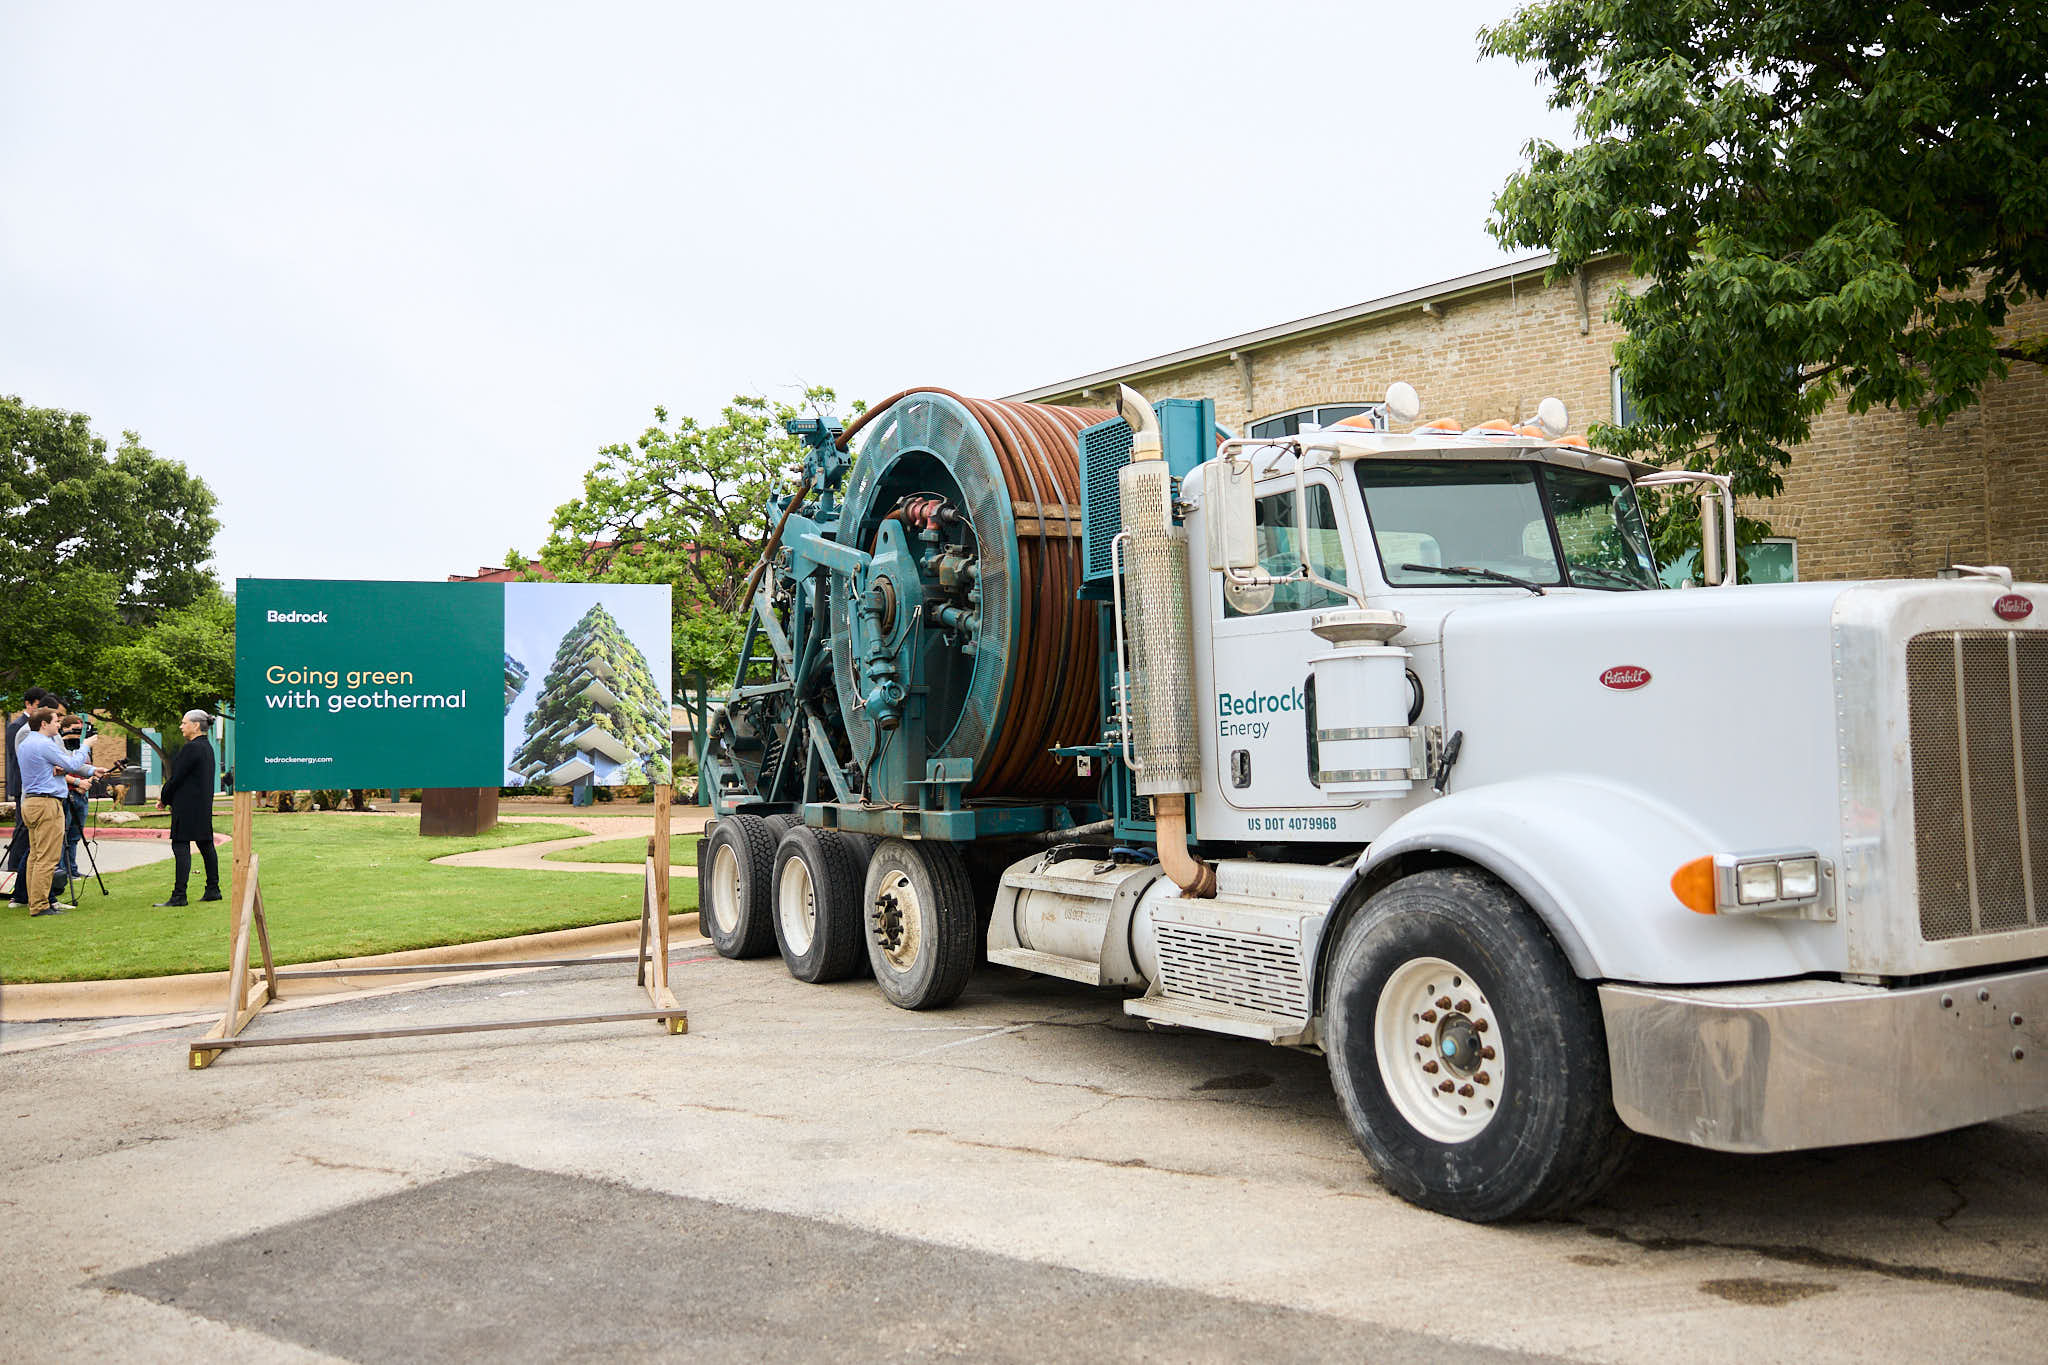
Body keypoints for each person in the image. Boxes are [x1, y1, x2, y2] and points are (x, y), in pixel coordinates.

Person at [16, 707, 101, 916]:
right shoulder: (43, 743)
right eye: (55, 721)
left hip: (31, 803)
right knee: (47, 858)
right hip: (46, 804)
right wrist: (86, 746)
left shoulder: (28, 743)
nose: (58, 725)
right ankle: (40, 905)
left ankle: (36, 901)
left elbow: (58, 767)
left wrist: (91, 770)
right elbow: (71, 763)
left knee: (36, 856)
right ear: (44, 724)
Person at [156, 709, 221, 907]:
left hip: (186, 806)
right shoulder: (207, 748)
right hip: (202, 805)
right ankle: (213, 888)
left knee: (180, 845)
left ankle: (179, 895)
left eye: (184, 723)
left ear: (195, 725)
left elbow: (176, 777)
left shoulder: (191, 748)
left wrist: (164, 797)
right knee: (205, 843)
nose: (181, 726)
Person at [6, 686, 50, 907]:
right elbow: (21, 760)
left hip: (35, 788)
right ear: (30, 704)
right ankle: (14, 878)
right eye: (40, 706)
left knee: (30, 839)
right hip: (27, 788)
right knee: (23, 834)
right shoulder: (18, 727)